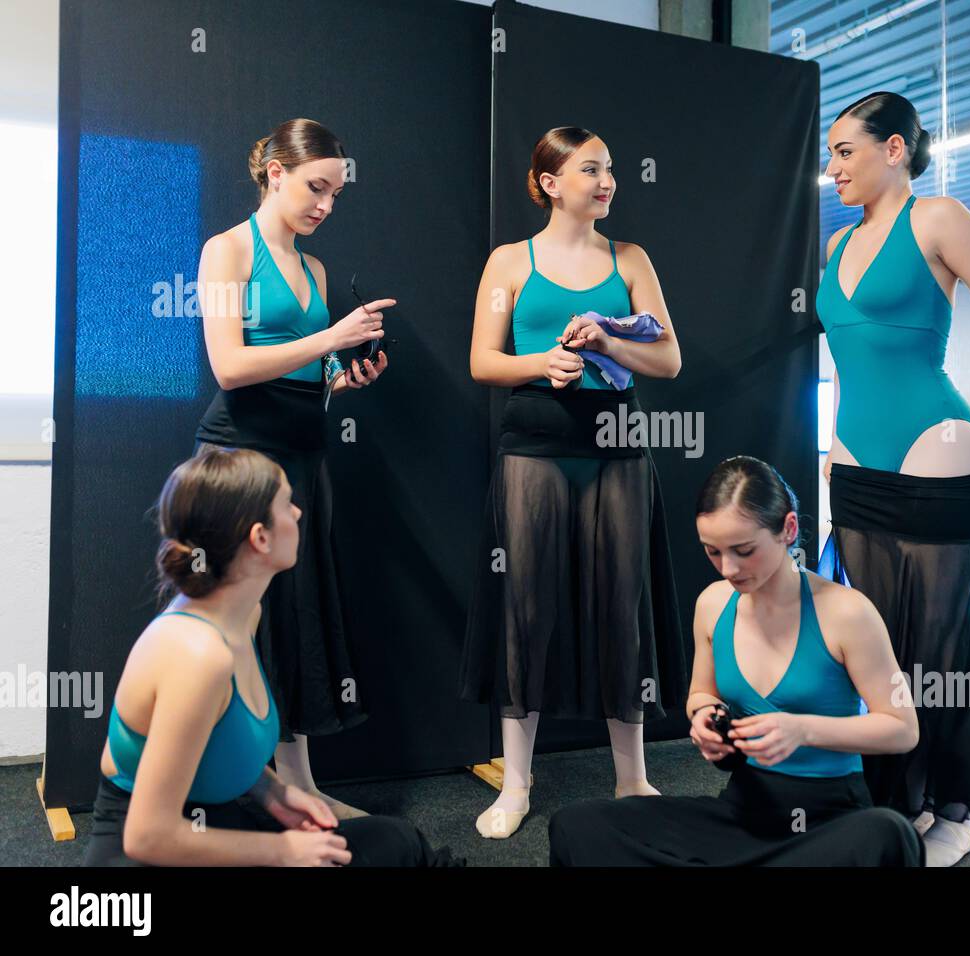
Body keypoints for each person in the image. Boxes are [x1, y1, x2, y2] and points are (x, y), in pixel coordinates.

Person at [816, 91, 970, 866]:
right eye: (831, 154)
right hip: (855, 460)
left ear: (894, 149)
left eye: (845, 151)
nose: (832, 167)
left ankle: (954, 809)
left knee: (939, 648)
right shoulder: (838, 248)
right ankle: (892, 798)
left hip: (936, 448)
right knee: (873, 641)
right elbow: (849, 362)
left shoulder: (937, 219)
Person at [460, 126, 688, 839]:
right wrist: (543, 363)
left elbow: (670, 360)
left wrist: (607, 342)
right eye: (591, 168)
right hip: (533, 446)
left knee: (623, 606)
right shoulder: (509, 261)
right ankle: (517, 785)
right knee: (526, 612)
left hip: (617, 448)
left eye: (612, 168)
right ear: (550, 183)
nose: (607, 179)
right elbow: (481, 360)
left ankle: (633, 778)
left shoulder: (632, 259)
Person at [84, 447, 463, 866]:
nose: (298, 514)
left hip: (214, 822)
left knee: (396, 840)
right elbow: (147, 837)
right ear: (259, 537)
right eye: (286, 504)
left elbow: (216, 747)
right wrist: (281, 851)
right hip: (150, 859)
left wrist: (276, 793)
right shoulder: (197, 657)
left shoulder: (245, 614)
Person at [548, 456, 924, 866]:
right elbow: (700, 693)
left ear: (789, 529)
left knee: (889, 835)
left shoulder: (848, 613)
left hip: (827, 822)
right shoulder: (712, 604)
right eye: (713, 552)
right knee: (577, 824)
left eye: (744, 551)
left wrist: (802, 730)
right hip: (744, 811)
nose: (728, 568)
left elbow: (902, 729)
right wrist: (705, 717)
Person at [193, 118, 391, 818]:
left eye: (335, 194)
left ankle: (299, 787)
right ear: (275, 172)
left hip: (304, 458)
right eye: (316, 187)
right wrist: (330, 336)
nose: (325, 205)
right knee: (243, 623)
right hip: (241, 460)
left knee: (296, 618)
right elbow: (228, 366)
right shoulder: (225, 251)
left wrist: (342, 372)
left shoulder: (316, 269)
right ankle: (236, 791)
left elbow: (308, 368)